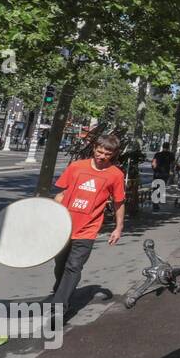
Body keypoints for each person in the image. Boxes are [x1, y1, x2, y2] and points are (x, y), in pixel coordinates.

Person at [50, 133, 126, 315]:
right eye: (99, 152)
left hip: (88, 229)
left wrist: (119, 227)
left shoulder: (116, 175)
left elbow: (118, 202)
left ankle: (59, 306)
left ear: (113, 154)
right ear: (94, 149)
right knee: (60, 265)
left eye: (107, 154)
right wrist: (53, 209)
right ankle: (61, 288)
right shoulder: (76, 167)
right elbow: (60, 194)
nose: (101, 156)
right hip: (64, 226)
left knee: (74, 265)